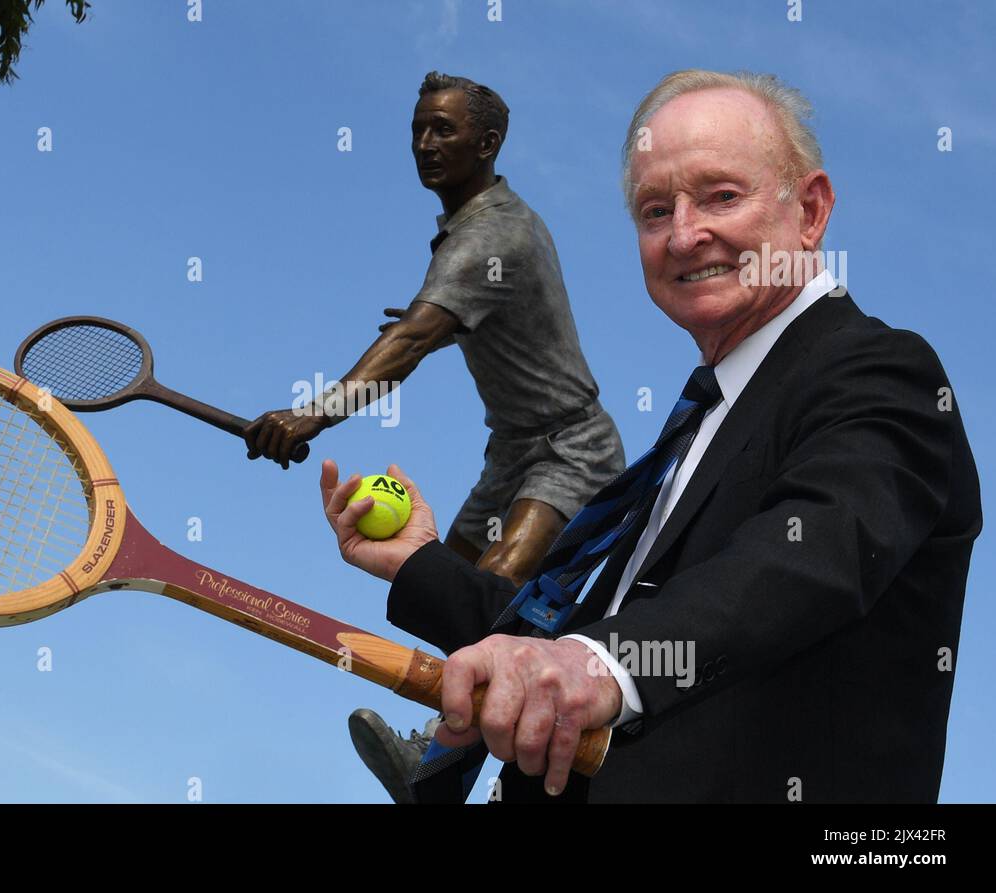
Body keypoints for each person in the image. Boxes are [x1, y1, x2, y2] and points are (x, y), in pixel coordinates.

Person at [320, 69, 981, 803]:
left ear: (811, 210)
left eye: (722, 196)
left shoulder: (885, 375)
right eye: (655, 210)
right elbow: (557, 638)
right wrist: (417, 561)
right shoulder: (695, 431)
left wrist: (601, 663)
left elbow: (808, 557)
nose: (686, 233)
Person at [243, 72, 623, 802]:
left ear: (488, 144)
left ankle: (443, 772)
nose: (424, 144)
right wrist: (426, 326)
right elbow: (432, 327)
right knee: (442, 586)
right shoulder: (470, 232)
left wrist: (307, 416)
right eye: (418, 128)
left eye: (443, 131)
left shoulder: (494, 232)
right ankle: (460, 764)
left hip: (571, 448)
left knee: (495, 600)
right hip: (511, 450)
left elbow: (412, 342)